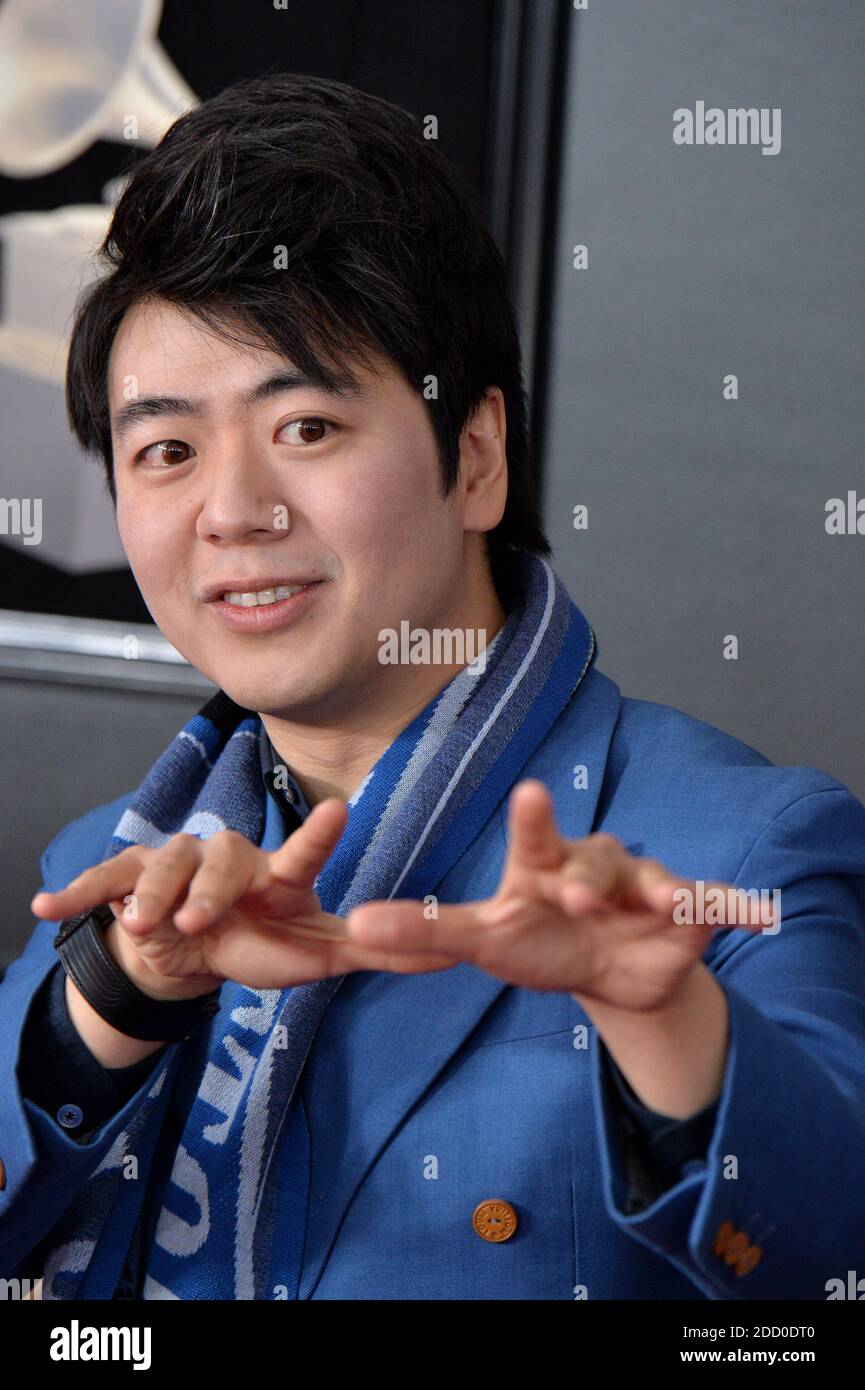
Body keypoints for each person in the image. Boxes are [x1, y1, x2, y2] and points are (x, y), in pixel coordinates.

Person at [1, 73, 863, 1302]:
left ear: (474, 460)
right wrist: (109, 1006)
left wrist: (667, 1025)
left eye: (304, 426)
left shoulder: (735, 848)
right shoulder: (120, 873)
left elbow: (833, 1266)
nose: (234, 511)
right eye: (168, 451)